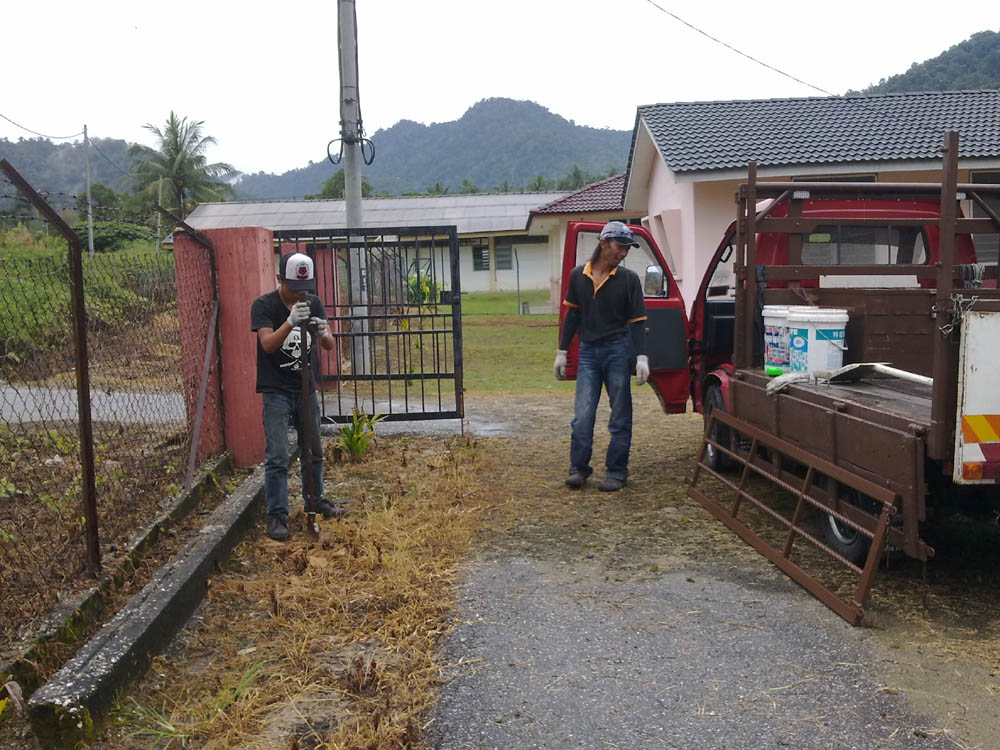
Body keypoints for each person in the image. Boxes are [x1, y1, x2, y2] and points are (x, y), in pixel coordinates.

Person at [251, 252, 344, 541]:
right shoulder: (263, 305)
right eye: (294, 287)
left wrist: (324, 332)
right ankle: (277, 516)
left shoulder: (312, 302)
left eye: (304, 286)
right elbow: (267, 344)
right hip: (276, 391)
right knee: (278, 456)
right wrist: (290, 321)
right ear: (279, 279)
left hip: (306, 389)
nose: (300, 293)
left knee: (313, 451)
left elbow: (329, 346)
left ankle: (315, 501)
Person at [554, 221, 650, 492]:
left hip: (617, 351)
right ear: (604, 243)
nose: (624, 253)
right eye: (621, 246)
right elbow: (572, 315)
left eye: (628, 248)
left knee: (620, 414)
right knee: (583, 414)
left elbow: (637, 321)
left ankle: (617, 471)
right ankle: (578, 468)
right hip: (588, 354)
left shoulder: (629, 280)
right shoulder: (577, 276)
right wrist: (562, 352)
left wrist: (641, 356)